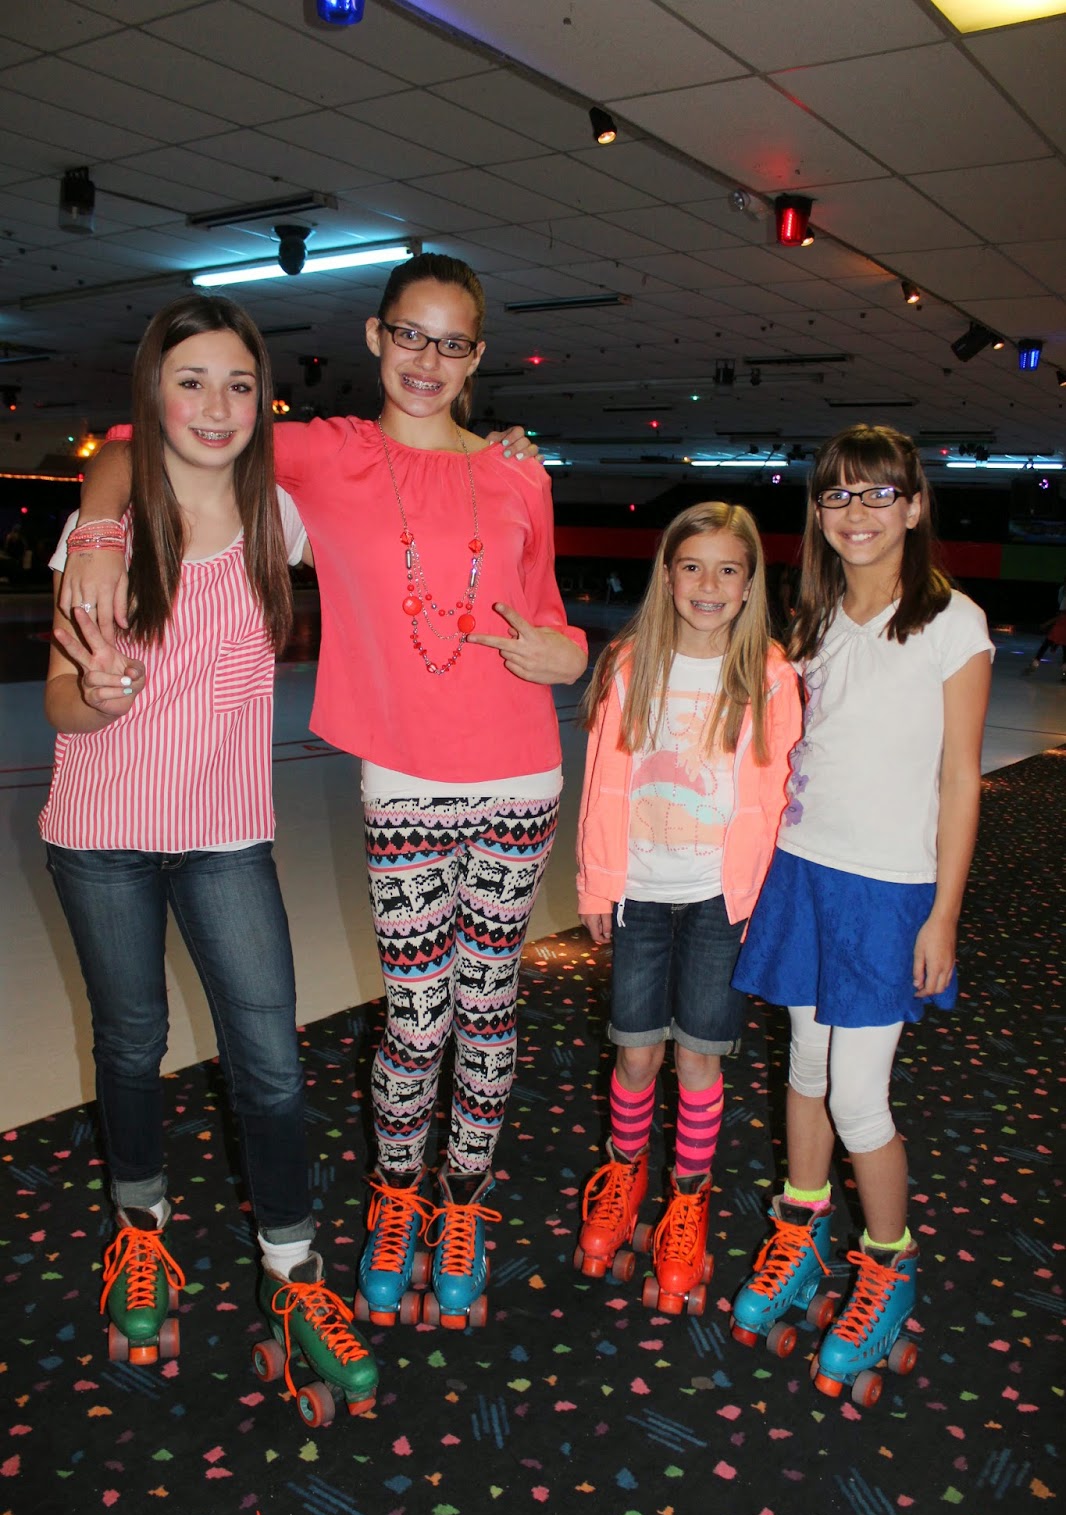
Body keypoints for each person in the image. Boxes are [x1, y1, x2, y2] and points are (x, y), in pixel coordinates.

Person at [69, 254, 587, 1335]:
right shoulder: (326, 453)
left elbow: (557, 623)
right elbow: (131, 445)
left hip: (520, 772)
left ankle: (464, 1204)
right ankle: (396, 1197)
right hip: (400, 778)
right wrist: (106, 533)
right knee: (413, 1019)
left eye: (451, 343)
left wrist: (564, 654)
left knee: (487, 1008)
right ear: (374, 336)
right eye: (410, 335)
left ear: (476, 356)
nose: (427, 361)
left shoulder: (516, 472)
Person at [42, 294, 378, 1425]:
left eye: (239, 383)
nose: (216, 404)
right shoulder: (105, 532)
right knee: (131, 1044)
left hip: (228, 833)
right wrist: (91, 693)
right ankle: (141, 1233)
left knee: (268, 1059)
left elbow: (400, 475)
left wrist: (509, 458)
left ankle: (293, 1272)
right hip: (101, 834)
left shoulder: (277, 518)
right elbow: (58, 698)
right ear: (153, 392)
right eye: (190, 379)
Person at [729, 423, 993, 1407]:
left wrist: (944, 913)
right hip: (804, 871)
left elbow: (959, 779)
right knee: (800, 1068)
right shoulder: (817, 617)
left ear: (915, 507)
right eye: (838, 495)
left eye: (878, 494)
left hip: (890, 891)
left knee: (856, 1099)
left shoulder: (951, 622)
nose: (857, 513)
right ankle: (799, 1236)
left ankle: (887, 1269)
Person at [573, 503, 801, 1315]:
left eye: (727, 570)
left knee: (700, 1060)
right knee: (637, 1055)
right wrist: (597, 882)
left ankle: (688, 1201)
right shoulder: (631, 665)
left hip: (718, 903)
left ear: (749, 586)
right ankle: (623, 1176)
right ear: (667, 576)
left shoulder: (768, 675)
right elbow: (603, 780)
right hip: (640, 894)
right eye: (693, 567)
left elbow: (780, 798)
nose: (708, 585)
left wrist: (764, 901)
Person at [1022, 575, 1066, 680]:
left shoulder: (1064, 596)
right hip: (1062, 626)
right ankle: (1064, 672)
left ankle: (1034, 664)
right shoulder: (1062, 591)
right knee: (1064, 650)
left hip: (1061, 626)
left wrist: (1046, 624)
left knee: (1045, 646)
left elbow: (1061, 615)